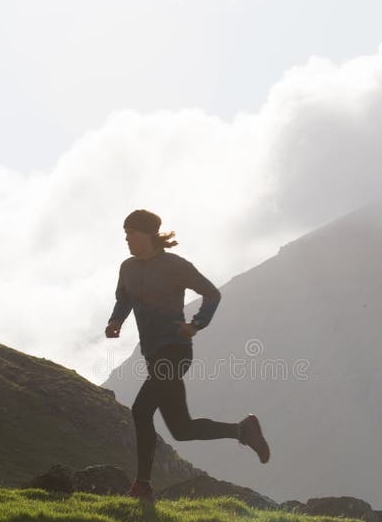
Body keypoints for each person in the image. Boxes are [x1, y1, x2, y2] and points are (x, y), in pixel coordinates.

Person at [105, 209, 270, 503]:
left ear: (146, 235)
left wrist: (196, 324)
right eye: (125, 234)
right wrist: (116, 321)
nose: (126, 239)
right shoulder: (127, 268)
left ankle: (142, 486)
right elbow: (124, 299)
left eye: (130, 233)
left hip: (175, 351)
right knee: (182, 429)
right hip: (154, 355)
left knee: (141, 410)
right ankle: (243, 431)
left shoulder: (175, 266)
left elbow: (211, 294)